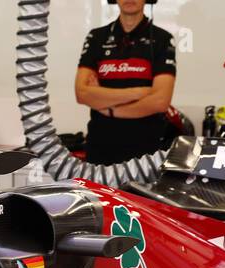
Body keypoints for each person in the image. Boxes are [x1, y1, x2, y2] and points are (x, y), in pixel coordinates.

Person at [74, 0, 177, 165]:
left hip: (145, 152)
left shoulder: (162, 39)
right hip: (100, 148)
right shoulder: (97, 37)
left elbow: (160, 102)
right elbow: (82, 94)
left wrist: (108, 107)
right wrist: (138, 92)